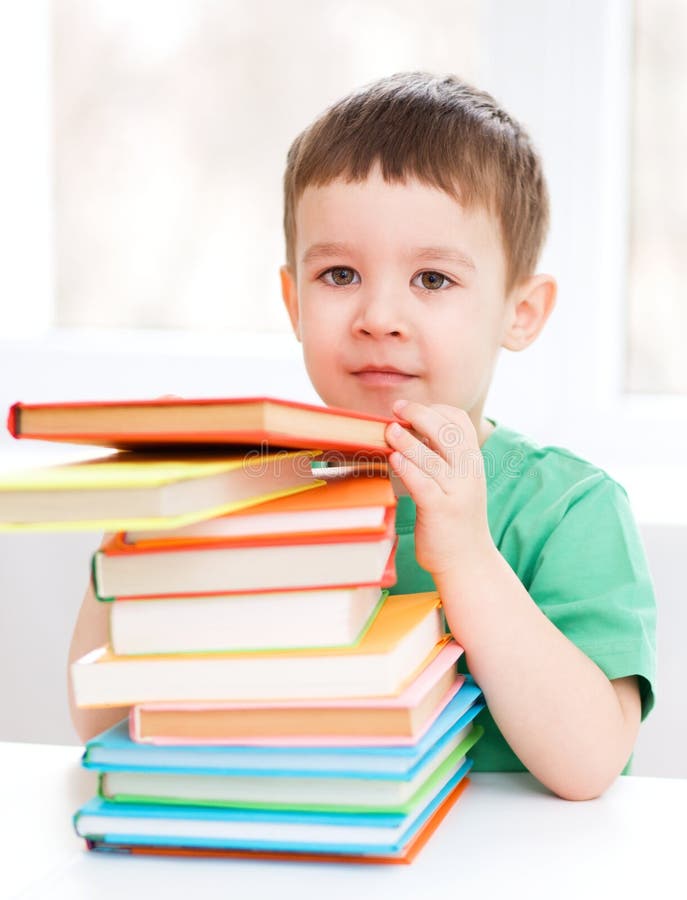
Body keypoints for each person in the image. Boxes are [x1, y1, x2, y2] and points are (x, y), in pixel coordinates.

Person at [69, 71, 655, 802]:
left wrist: (467, 555)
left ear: (521, 312)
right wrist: (141, 521)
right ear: (293, 301)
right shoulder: (247, 490)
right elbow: (100, 720)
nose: (379, 314)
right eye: (340, 273)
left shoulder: (568, 510)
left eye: (433, 280)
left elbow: (590, 760)